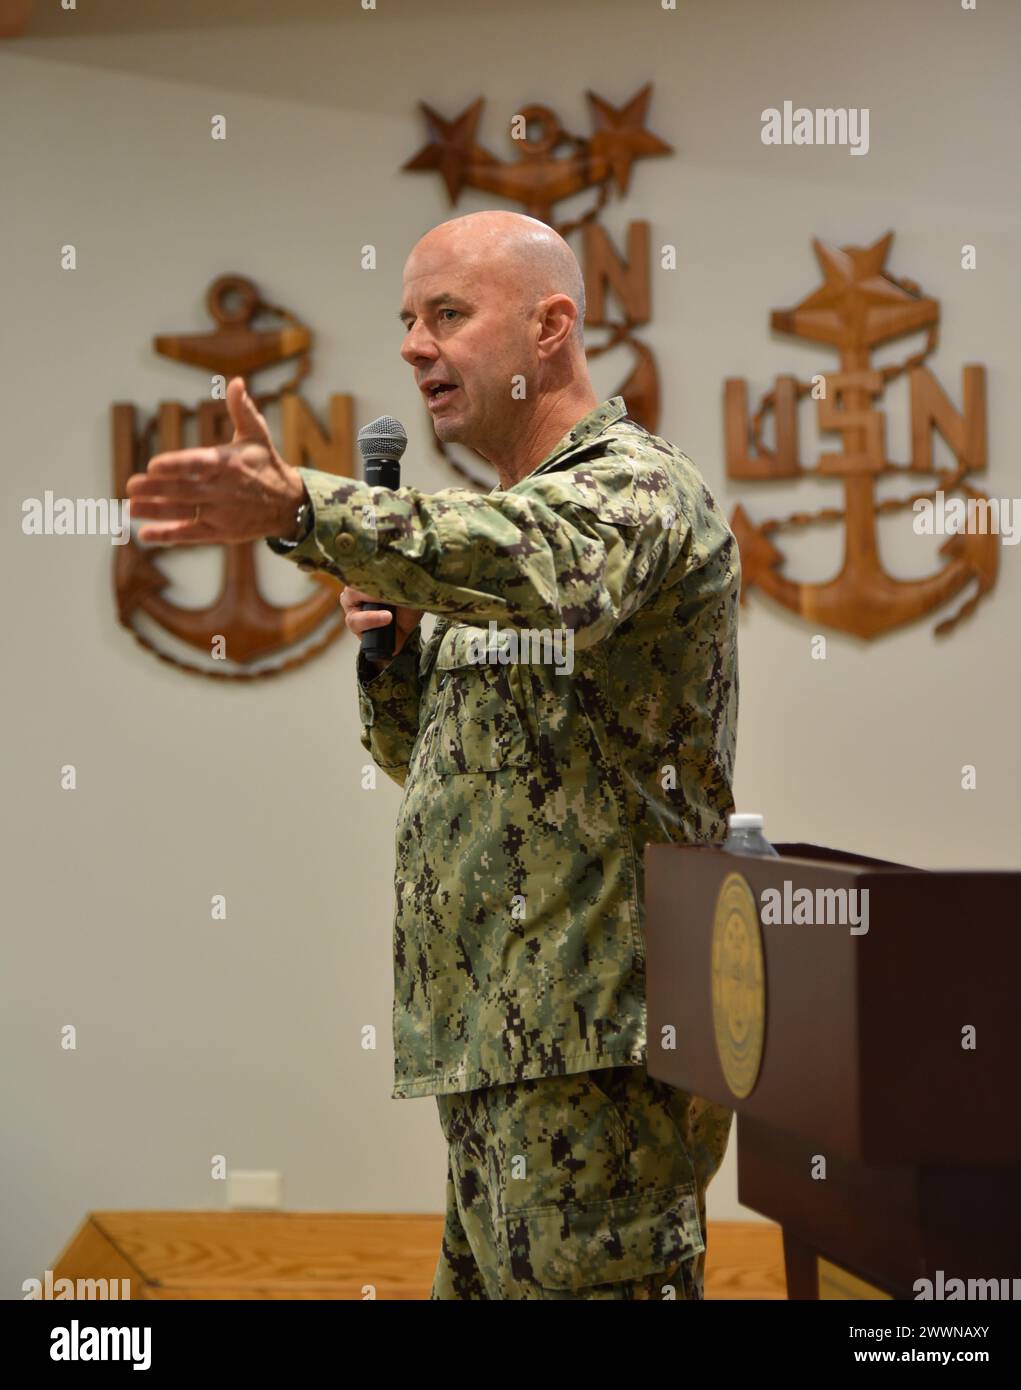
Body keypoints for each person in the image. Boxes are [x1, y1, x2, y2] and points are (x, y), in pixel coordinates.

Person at [128, 209, 740, 1300]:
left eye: (447, 314)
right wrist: (398, 654)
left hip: (595, 1055)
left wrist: (301, 504)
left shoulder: (635, 490)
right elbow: (430, 760)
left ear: (552, 326)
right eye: (408, 318)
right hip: (488, 1044)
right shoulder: (492, 526)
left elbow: (545, 564)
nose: (414, 344)